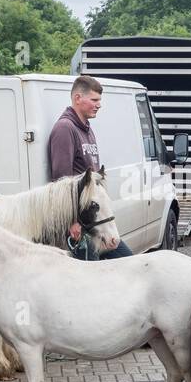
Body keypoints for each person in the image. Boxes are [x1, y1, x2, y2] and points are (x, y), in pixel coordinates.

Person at [47, 75, 132, 259]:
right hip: (80, 226)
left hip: (93, 220)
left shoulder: (86, 127)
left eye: (99, 100)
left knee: (127, 260)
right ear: (78, 98)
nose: (99, 104)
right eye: (94, 100)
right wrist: (72, 222)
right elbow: (61, 182)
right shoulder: (65, 129)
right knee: (91, 278)